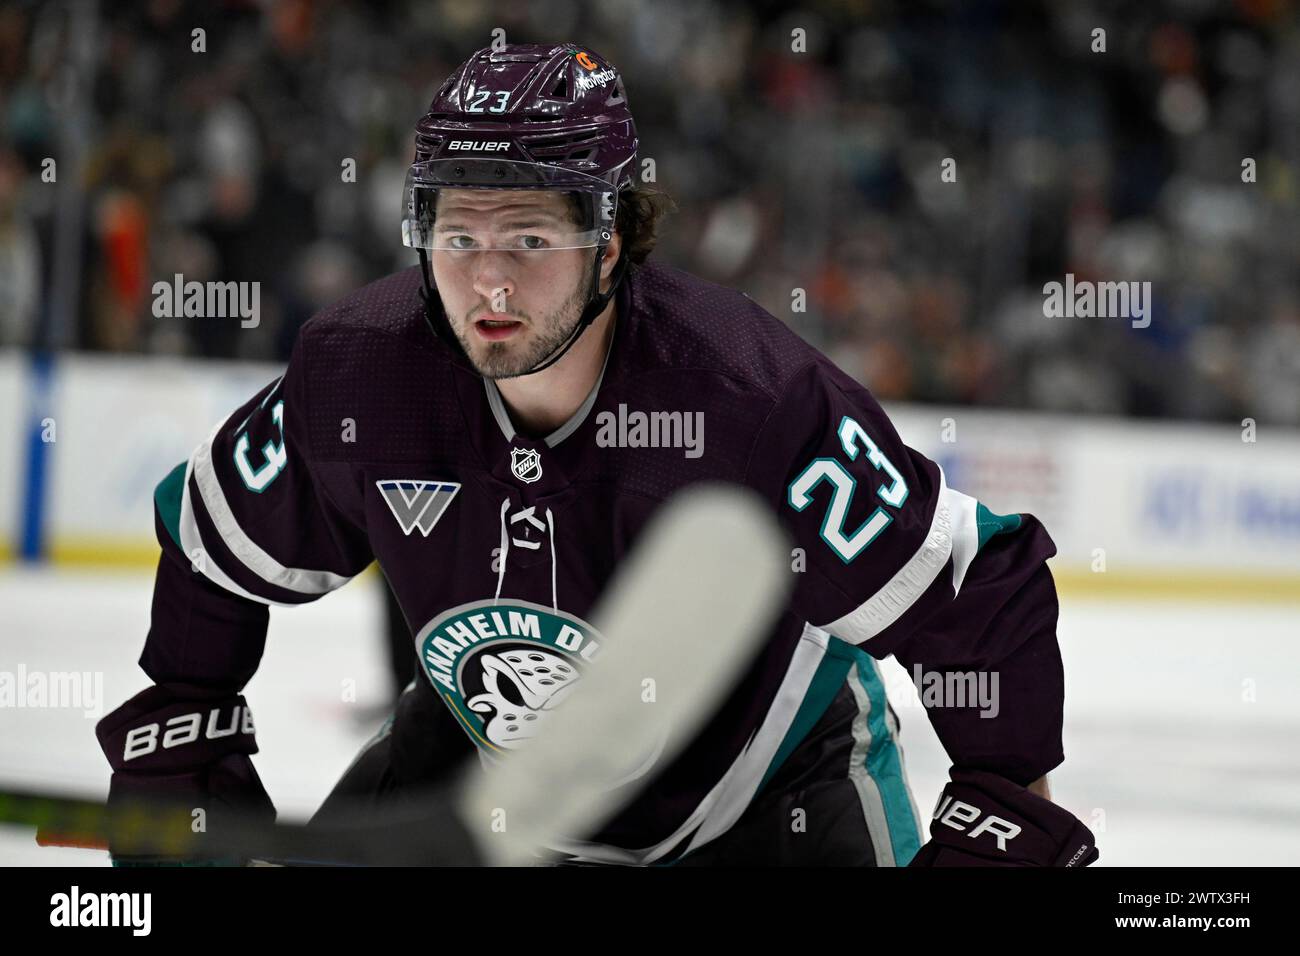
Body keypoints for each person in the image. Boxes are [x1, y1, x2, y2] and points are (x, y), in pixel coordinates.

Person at [96, 42, 1097, 867]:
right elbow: (213, 534)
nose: (488, 281)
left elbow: (975, 582)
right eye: (457, 237)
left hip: (765, 794)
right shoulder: (360, 373)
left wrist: (1004, 800)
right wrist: (182, 718)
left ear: (609, 241)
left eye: (529, 238)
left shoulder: (749, 397)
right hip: (479, 784)